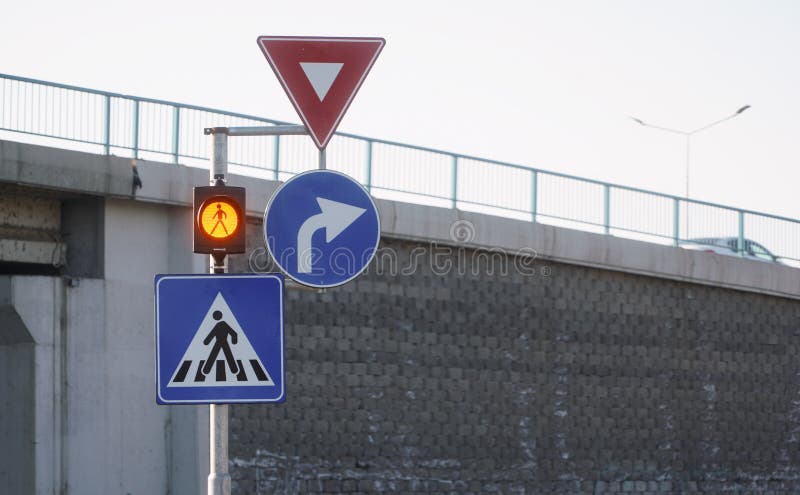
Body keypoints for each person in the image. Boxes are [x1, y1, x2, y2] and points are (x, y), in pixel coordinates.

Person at [201, 310, 238, 375]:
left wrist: (206, 342)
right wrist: (234, 341)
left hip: (220, 342)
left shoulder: (220, 325)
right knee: (227, 355)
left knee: (214, 355)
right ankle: (234, 370)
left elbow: (212, 334)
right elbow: (234, 333)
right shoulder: (222, 324)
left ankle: (206, 370)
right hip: (222, 342)